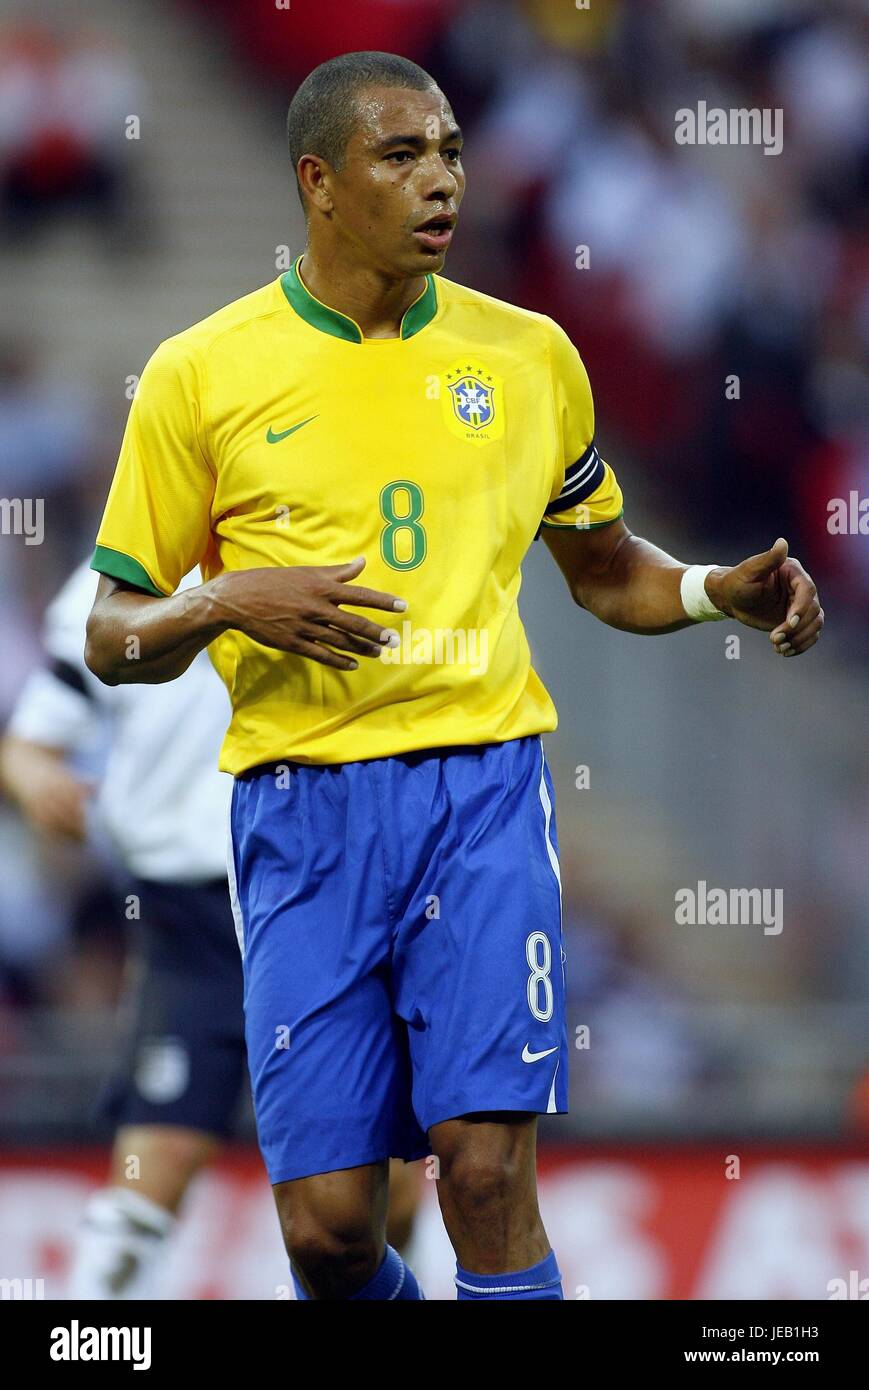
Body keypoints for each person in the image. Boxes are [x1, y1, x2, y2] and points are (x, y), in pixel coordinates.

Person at [83, 52, 824, 1302]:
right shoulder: (199, 375)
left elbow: (602, 569)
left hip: (477, 800)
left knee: (481, 1173)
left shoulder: (529, 355)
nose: (441, 182)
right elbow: (110, 634)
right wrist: (225, 600)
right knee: (326, 1234)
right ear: (318, 182)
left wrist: (709, 591)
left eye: (451, 154)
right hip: (300, 814)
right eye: (402, 157)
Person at [0, 558, 423, 1295]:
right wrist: (36, 778)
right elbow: (32, 737)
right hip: (190, 920)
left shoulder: (340, 546)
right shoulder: (107, 591)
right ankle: (90, 1339)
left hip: (323, 902)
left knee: (381, 1195)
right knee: (149, 1175)